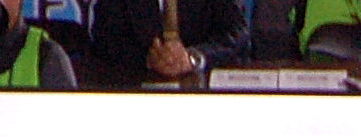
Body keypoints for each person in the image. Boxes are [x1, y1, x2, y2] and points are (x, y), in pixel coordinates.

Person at [85, 0, 250, 79]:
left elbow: (238, 34)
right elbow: (105, 39)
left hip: (208, 93)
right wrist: (151, 59)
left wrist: (193, 58)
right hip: (139, 92)